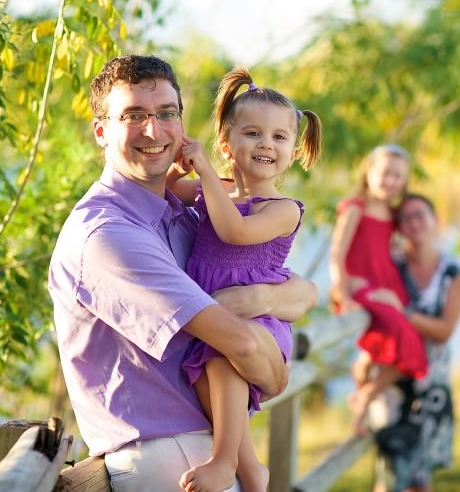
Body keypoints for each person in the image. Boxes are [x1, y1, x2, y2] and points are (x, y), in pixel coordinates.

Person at [47, 55, 317, 492]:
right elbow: (243, 345)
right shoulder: (108, 233)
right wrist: (277, 374)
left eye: (167, 113)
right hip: (165, 455)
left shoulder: (182, 215)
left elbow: (300, 291)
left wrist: (265, 299)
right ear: (101, 131)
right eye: (134, 115)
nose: (153, 130)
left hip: (203, 449)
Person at [166, 67, 322, 492]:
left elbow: (235, 231)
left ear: (293, 152)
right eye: (252, 133)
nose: (266, 144)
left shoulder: (284, 209)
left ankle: (224, 460)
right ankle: (251, 470)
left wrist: (206, 175)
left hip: (256, 321)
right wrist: (180, 167)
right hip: (212, 312)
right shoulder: (213, 190)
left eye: (279, 137)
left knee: (220, 360)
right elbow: (163, 192)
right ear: (226, 143)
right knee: (204, 380)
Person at [370, 193, 460, 492]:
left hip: (431, 382)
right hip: (392, 381)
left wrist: (402, 312)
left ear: (434, 220)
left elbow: (444, 330)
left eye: (420, 215)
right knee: (389, 475)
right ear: (399, 227)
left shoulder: (454, 270)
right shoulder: (391, 266)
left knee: (421, 478)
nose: (414, 223)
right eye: (406, 218)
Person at [329, 144, 428, 435]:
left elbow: (396, 247)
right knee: (407, 345)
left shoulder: (393, 213)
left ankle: (364, 398)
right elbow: (337, 254)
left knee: (399, 350)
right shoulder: (355, 207)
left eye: (398, 176)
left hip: (389, 288)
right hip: (363, 290)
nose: (390, 181)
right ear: (368, 172)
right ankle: (364, 400)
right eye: (385, 173)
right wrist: (344, 294)